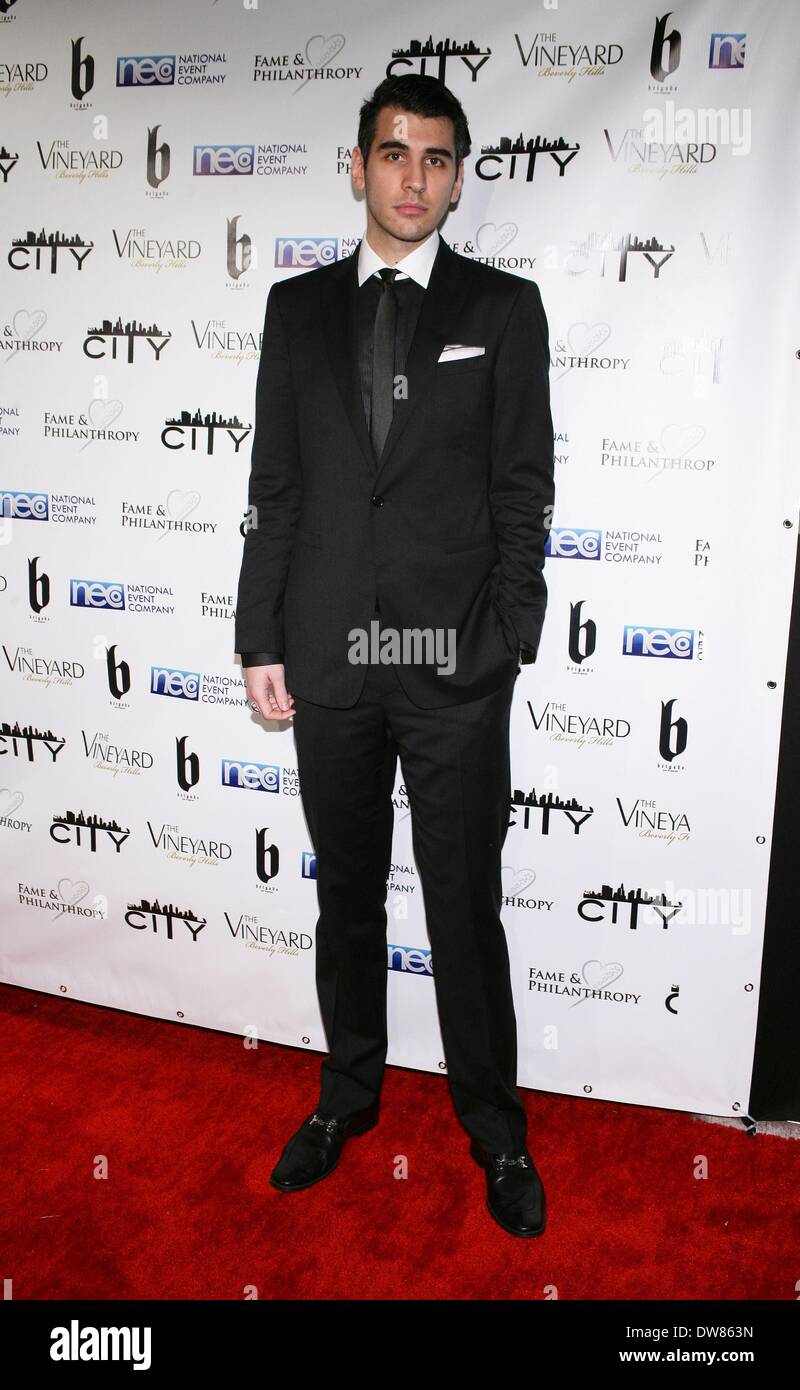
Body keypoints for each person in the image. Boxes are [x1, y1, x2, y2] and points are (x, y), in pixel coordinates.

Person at [234, 73, 555, 1238]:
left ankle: (496, 1131)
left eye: (435, 157)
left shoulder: (505, 309)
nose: (412, 176)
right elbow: (276, 488)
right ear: (357, 165)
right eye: (392, 153)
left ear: (458, 174)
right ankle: (346, 1098)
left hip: (452, 669)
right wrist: (260, 633)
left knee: (464, 909)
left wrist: (506, 640)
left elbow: (523, 491)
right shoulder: (296, 309)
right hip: (328, 660)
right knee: (349, 901)